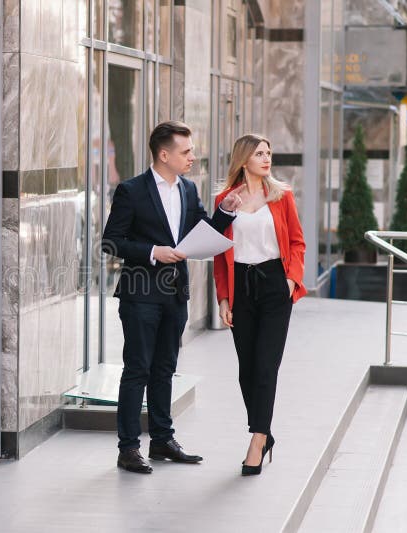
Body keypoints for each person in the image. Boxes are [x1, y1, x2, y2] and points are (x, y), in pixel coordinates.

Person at [102, 121, 242, 474]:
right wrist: (153, 251)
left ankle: (162, 440)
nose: (193, 157)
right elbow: (111, 242)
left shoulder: (188, 189)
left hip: (175, 294)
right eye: (186, 152)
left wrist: (225, 213)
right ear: (164, 155)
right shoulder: (131, 191)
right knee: (138, 370)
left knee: (166, 368)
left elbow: (200, 231)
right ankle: (128, 448)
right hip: (140, 294)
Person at [213, 134, 306, 476]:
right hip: (240, 285)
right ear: (244, 159)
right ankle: (264, 431)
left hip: (274, 285)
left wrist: (291, 280)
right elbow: (218, 254)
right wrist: (223, 297)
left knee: (266, 366)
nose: (267, 158)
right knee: (247, 370)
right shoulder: (226, 200)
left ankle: (257, 439)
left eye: (269, 152)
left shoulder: (282, 196)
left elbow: (297, 242)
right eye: (259, 154)